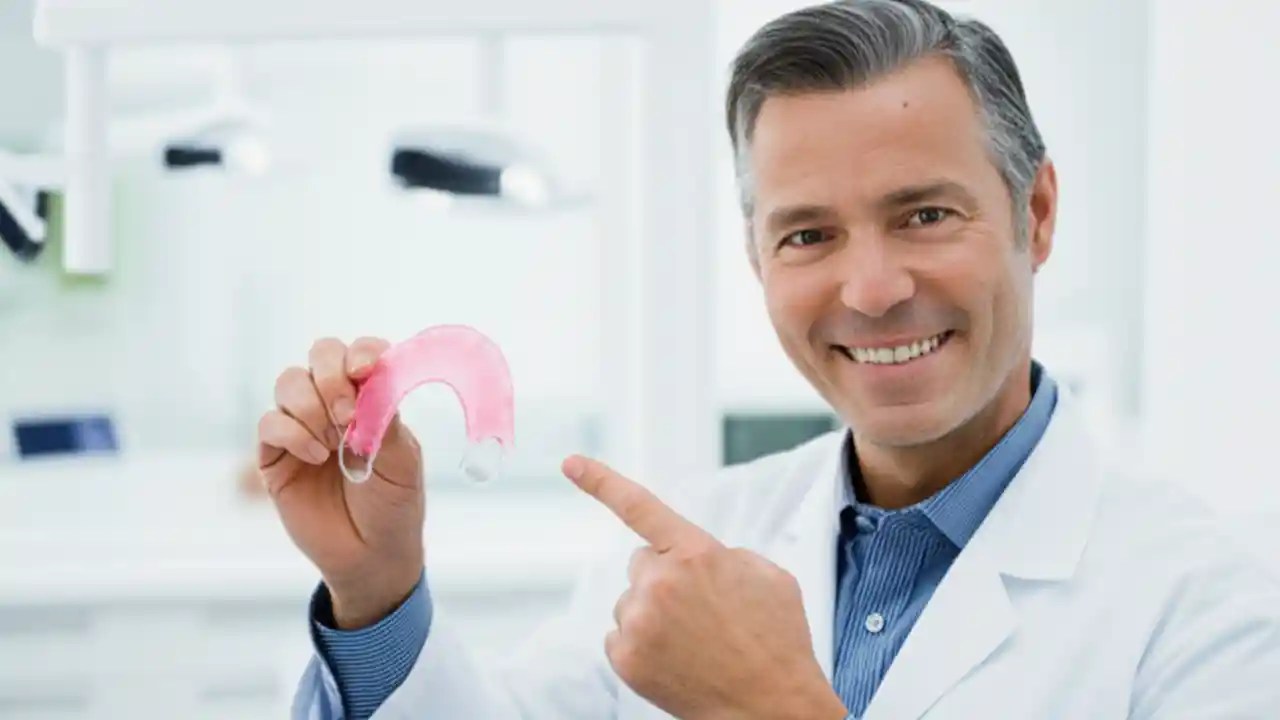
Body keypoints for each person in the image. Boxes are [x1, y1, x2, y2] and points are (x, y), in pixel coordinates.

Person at [258, 1, 1280, 718]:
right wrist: (378, 585)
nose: (870, 288)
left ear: (1035, 215)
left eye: (922, 214)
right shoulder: (692, 548)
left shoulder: (1213, 611)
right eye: (806, 235)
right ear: (754, 257)